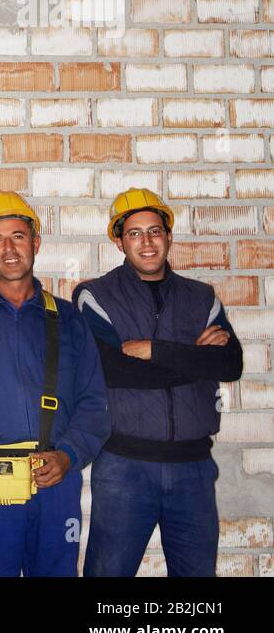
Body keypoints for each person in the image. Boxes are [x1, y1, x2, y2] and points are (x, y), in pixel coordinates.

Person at [0, 191, 110, 577]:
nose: (9, 249)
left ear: (36, 243)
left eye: (18, 236)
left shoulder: (67, 319)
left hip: (55, 482)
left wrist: (69, 456)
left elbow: (94, 402)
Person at [76, 188, 243, 577]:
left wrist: (155, 349)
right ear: (118, 241)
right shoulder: (94, 295)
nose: (147, 242)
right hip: (124, 466)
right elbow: (113, 371)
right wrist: (197, 358)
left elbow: (231, 363)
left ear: (169, 236)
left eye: (155, 231)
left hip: (194, 468)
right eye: (134, 233)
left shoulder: (201, 297)